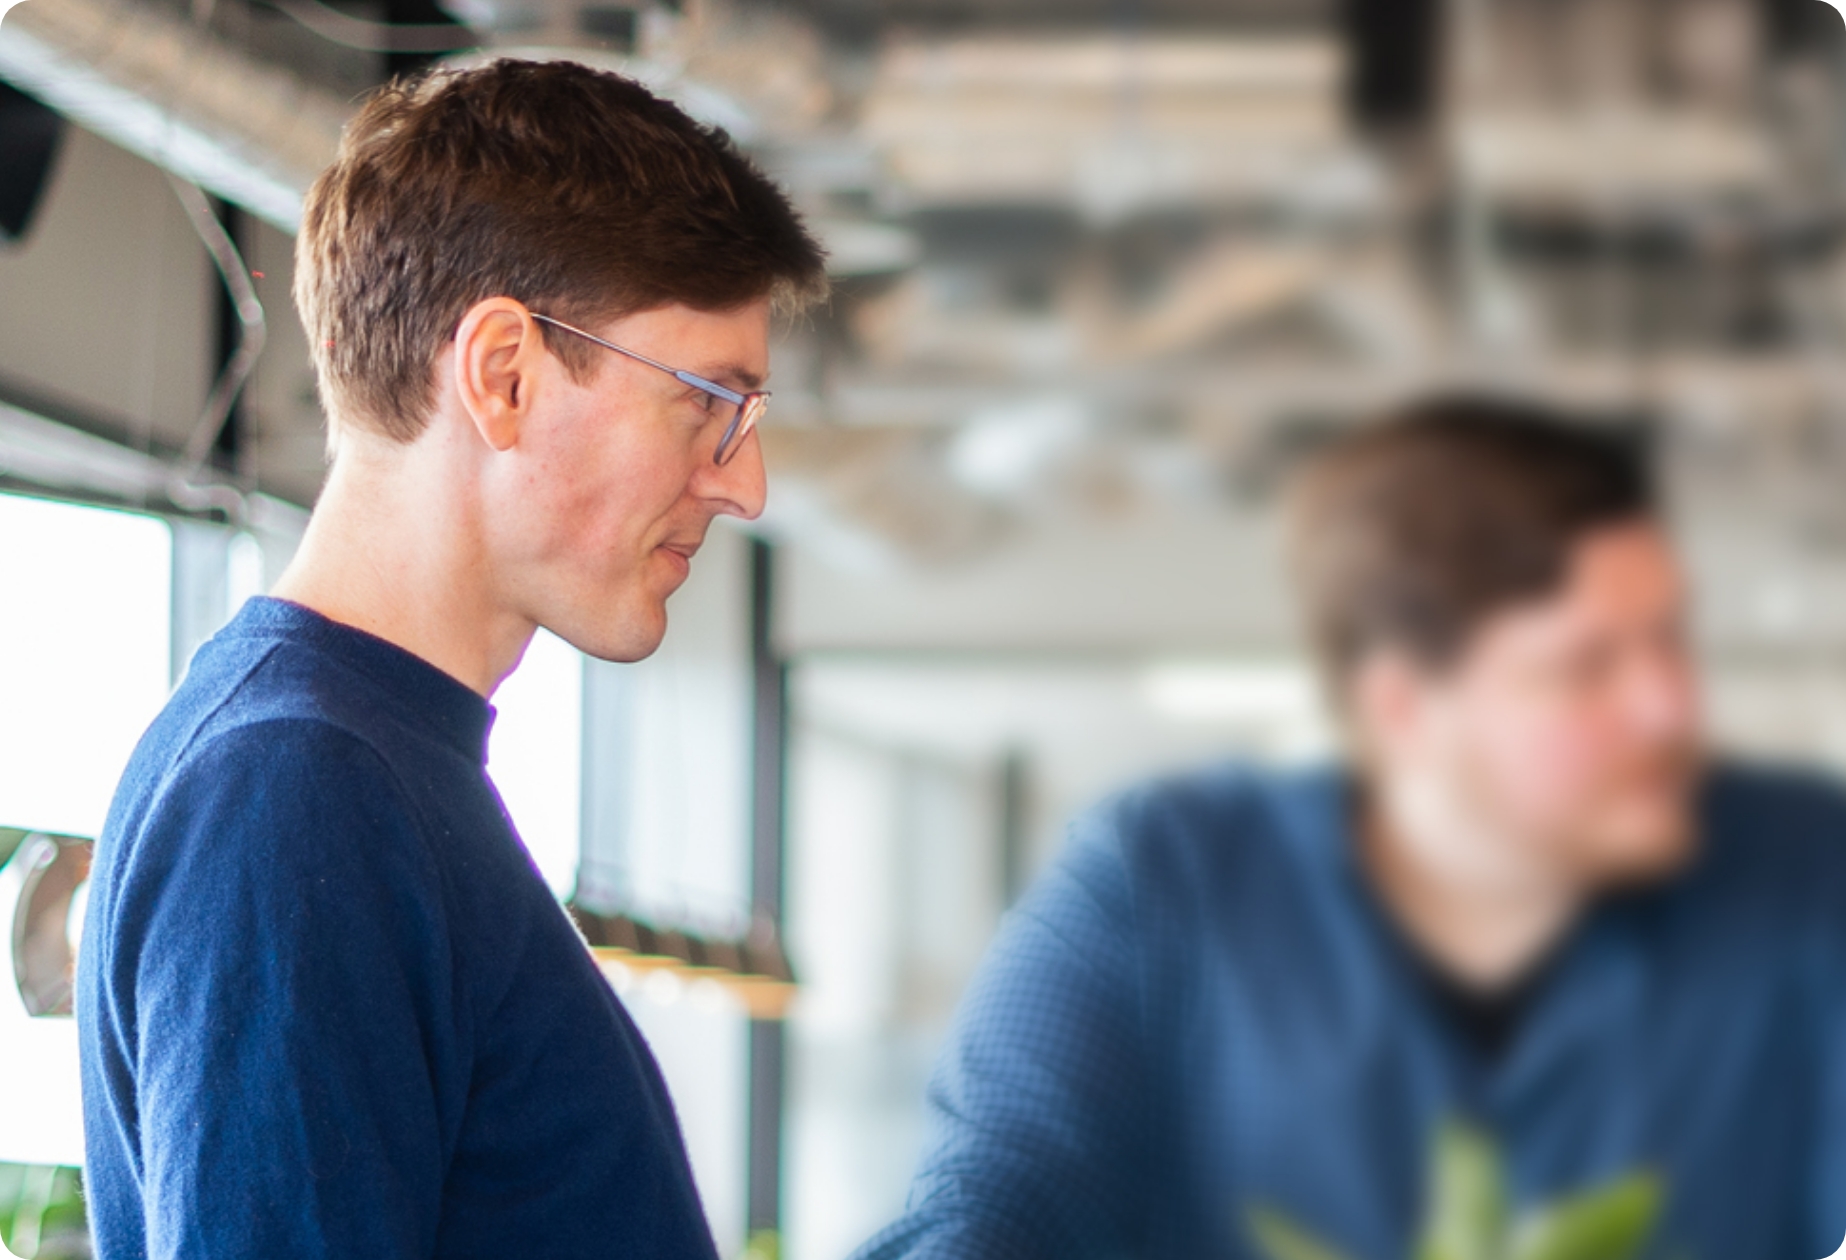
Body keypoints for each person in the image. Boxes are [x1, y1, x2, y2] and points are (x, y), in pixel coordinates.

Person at [77, 60, 826, 1257]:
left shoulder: (369, 771)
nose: (744, 484)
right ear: (503, 374)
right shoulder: (299, 795)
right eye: (705, 402)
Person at [855, 396, 1846, 1260]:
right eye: (1588, 668)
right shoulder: (1159, 890)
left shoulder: (1807, 882)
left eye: (1667, 641)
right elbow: (1005, 1195)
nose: (1670, 709)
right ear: (1406, 708)